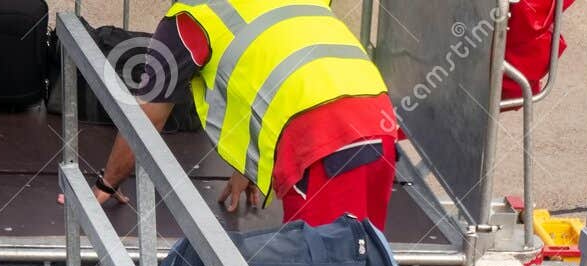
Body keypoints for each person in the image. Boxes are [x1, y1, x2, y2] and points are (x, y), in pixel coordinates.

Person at [92, 0, 399, 228]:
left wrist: (107, 184)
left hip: (321, 138)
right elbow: (271, 65)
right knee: (365, 259)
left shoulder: (190, 19)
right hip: (377, 120)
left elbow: (145, 121)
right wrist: (248, 165)